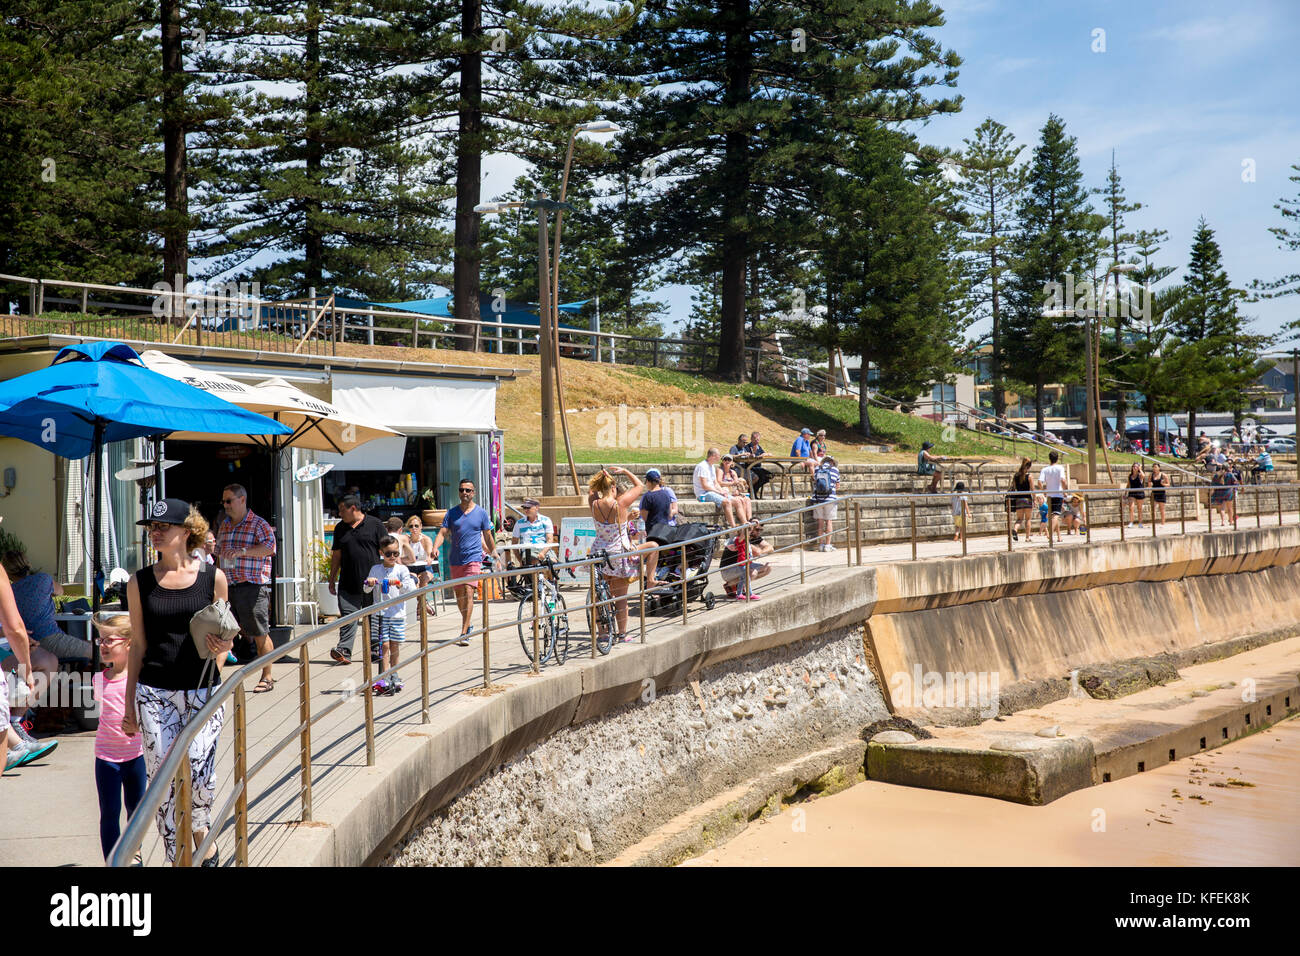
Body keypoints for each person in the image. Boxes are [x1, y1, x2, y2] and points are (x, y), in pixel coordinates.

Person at [123, 498, 231, 865]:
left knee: (199, 775)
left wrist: (222, 647)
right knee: (164, 783)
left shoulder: (212, 577)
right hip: (154, 692)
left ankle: (203, 835)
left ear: (186, 532)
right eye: (151, 527)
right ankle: (179, 859)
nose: (155, 532)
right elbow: (137, 644)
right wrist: (128, 708)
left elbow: (226, 633)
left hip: (203, 689)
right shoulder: (139, 582)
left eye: (163, 526)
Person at [90, 614, 144, 864]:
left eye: (109, 640)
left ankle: (134, 853)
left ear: (129, 643)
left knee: (136, 812)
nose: (103, 645)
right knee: (109, 814)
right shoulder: (98, 679)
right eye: (100, 640)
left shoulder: (139, 679)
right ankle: (113, 860)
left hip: (135, 756)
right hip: (106, 758)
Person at [215, 484, 278, 690]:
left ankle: (267, 676)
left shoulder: (258, 523)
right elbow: (220, 551)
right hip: (228, 585)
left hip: (251, 586)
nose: (225, 505)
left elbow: (269, 548)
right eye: (224, 501)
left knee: (259, 633)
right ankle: (214, 678)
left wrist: (242, 551)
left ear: (242, 500)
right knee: (221, 632)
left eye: (229, 501)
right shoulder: (225, 524)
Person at [2, 557, 56, 772]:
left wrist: (24, 641)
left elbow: (13, 627)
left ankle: (16, 722)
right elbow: (13, 627)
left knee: (48, 660)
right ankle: (14, 743)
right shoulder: (37, 579)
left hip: (7, 642)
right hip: (7, 642)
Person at [430, 479, 495, 646]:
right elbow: (442, 533)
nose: (464, 493)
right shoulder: (451, 513)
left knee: (468, 591)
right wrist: (435, 548)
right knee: (459, 596)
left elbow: (487, 535)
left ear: (473, 493)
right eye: (461, 490)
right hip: (456, 559)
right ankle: (468, 623)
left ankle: (464, 632)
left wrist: (493, 551)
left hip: (473, 557)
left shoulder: (481, 513)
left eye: (468, 490)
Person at [588, 467, 644, 644]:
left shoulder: (594, 503)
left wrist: (601, 475)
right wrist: (625, 470)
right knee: (620, 597)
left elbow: (591, 491)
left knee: (598, 597)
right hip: (616, 553)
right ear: (613, 487)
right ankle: (621, 634)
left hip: (598, 551)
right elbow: (639, 485)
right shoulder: (620, 504)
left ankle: (602, 633)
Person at [328, 495, 386, 665]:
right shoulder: (340, 528)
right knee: (348, 616)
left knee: (373, 617)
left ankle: (375, 649)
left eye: (341, 510)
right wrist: (332, 578)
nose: (339, 513)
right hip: (348, 582)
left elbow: (387, 549)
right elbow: (336, 555)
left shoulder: (375, 524)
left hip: (372, 583)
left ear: (353, 508)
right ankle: (344, 650)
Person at [363, 536, 417, 694]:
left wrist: (399, 584)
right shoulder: (376, 569)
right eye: (388, 554)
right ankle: (385, 674)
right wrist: (370, 582)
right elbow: (366, 589)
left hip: (397, 614)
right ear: (381, 553)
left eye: (396, 553)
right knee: (383, 645)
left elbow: (410, 589)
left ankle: (394, 672)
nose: (392, 557)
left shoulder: (402, 570)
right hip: (380, 614)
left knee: (395, 645)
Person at [639, 469, 678, 586]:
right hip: (664, 531)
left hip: (652, 531)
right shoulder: (666, 494)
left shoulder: (648, 497)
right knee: (660, 559)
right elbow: (670, 513)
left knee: (651, 558)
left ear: (649, 482)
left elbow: (644, 516)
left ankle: (650, 581)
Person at [721, 524, 773, 599]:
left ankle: (739, 592)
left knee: (767, 568)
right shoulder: (738, 540)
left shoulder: (746, 540)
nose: (758, 532)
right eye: (756, 530)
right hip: (732, 568)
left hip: (746, 563)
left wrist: (761, 553)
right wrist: (746, 528)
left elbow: (770, 548)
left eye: (760, 530)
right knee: (751, 574)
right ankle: (747, 593)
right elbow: (756, 552)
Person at [693, 448, 743, 526]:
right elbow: (705, 486)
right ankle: (734, 529)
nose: (720, 457)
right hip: (703, 494)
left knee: (737, 501)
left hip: (712, 492)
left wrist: (722, 491)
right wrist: (719, 492)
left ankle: (745, 525)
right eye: (719, 455)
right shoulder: (702, 466)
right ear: (713, 456)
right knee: (727, 502)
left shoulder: (712, 467)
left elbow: (715, 483)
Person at [402, 515, 438, 615]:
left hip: (425, 568)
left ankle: (418, 606)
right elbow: (401, 557)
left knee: (424, 579)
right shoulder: (406, 540)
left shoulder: (425, 539)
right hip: (410, 569)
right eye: (411, 526)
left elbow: (429, 554)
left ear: (421, 526)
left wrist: (430, 558)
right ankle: (423, 604)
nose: (414, 528)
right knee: (413, 582)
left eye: (416, 526)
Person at [1037, 450, 1067, 542]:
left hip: (1049, 495)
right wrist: (1065, 490)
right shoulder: (1060, 468)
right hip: (1058, 494)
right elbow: (1063, 480)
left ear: (1049, 458)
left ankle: (1059, 537)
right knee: (1056, 515)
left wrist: (1043, 491)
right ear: (1057, 458)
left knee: (1054, 515)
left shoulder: (1045, 469)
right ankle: (1050, 533)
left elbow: (1039, 482)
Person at [811, 455, 840, 552]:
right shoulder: (835, 470)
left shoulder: (817, 469)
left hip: (818, 499)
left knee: (820, 523)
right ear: (832, 462)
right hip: (830, 499)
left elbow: (815, 482)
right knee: (829, 522)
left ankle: (821, 545)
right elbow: (837, 486)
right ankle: (827, 545)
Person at [716, 455, 754, 522]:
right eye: (725, 459)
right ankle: (744, 521)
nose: (727, 461)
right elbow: (719, 482)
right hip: (724, 492)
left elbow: (737, 483)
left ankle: (749, 519)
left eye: (729, 460)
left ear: (732, 462)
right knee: (740, 500)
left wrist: (738, 488)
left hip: (733, 492)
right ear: (722, 461)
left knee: (747, 499)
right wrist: (732, 483)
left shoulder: (733, 472)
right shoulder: (720, 470)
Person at [1009, 457, 1034, 543]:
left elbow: (1014, 487)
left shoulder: (1016, 476)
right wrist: (1035, 499)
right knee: (1028, 519)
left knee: (1019, 519)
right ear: (1029, 466)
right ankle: (1027, 537)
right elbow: (1032, 489)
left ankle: (1015, 529)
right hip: (1027, 499)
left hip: (1018, 499)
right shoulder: (1029, 476)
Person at [742, 432, 773, 498]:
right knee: (760, 476)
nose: (757, 441)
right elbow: (747, 458)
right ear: (751, 439)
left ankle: (754, 490)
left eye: (758, 440)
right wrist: (754, 455)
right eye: (755, 439)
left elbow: (766, 454)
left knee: (770, 476)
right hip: (750, 467)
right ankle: (753, 492)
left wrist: (764, 454)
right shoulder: (747, 447)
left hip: (758, 468)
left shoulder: (759, 447)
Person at [1125, 463, 1147, 528]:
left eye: (1136, 467)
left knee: (1139, 509)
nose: (1134, 468)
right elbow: (1128, 484)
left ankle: (1140, 523)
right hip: (1132, 493)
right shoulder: (1130, 476)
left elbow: (1143, 475)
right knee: (1131, 508)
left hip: (1139, 493)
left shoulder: (1140, 475)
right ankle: (1131, 522)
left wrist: (1140, 469)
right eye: (1133, 466)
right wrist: (1125, 493)